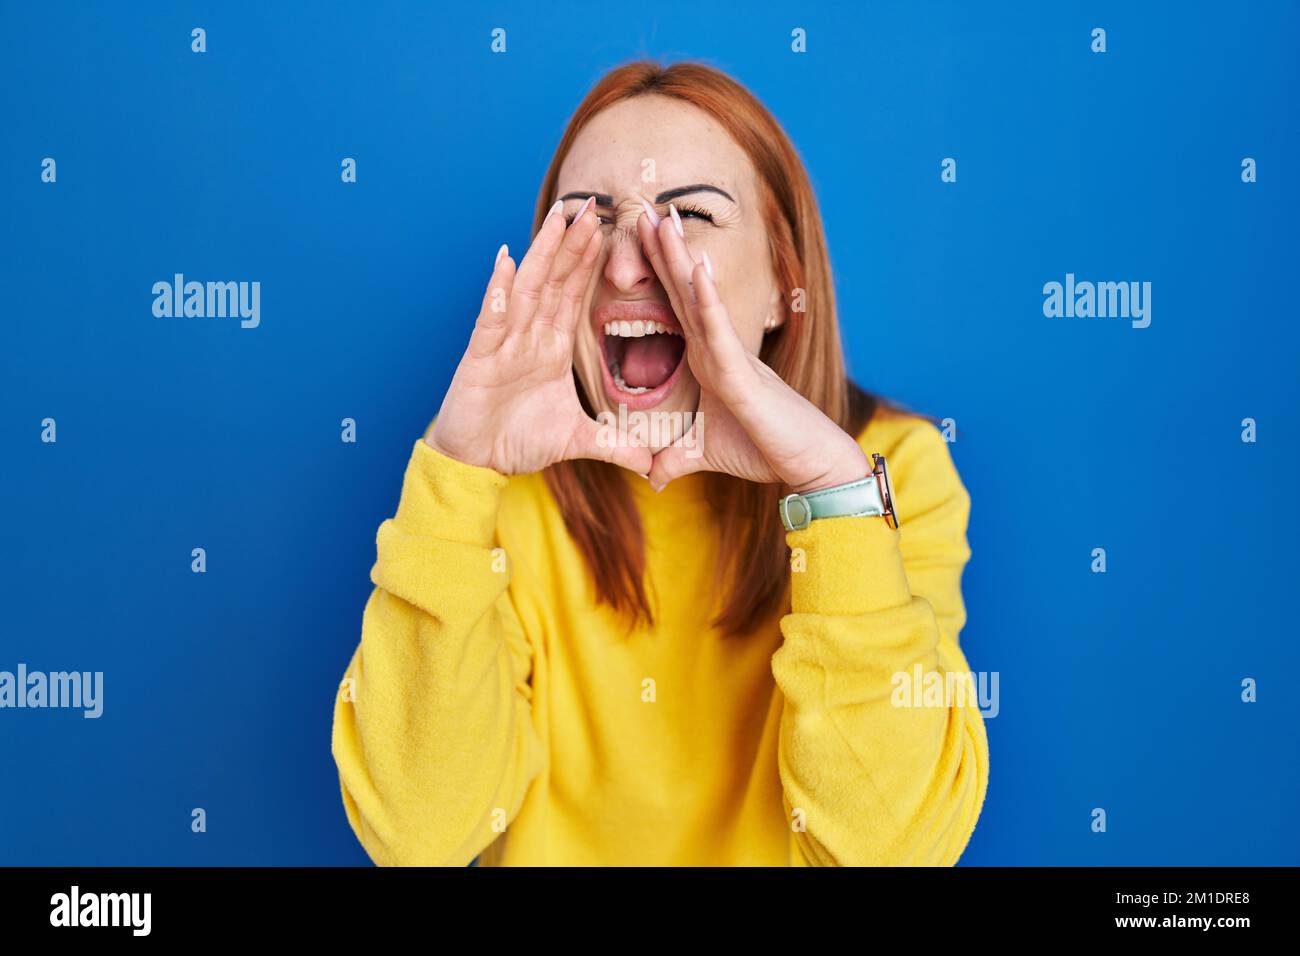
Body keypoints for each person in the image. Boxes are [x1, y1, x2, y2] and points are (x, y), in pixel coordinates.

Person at [331, 61, 989, 866]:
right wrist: (456, 472)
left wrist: (833, 496)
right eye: (585, 220)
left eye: (688, 217)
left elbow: (894, 849)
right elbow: (419, 836)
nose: (625, 265)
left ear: (787, 279)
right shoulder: (486, 481)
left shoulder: (893, 469)